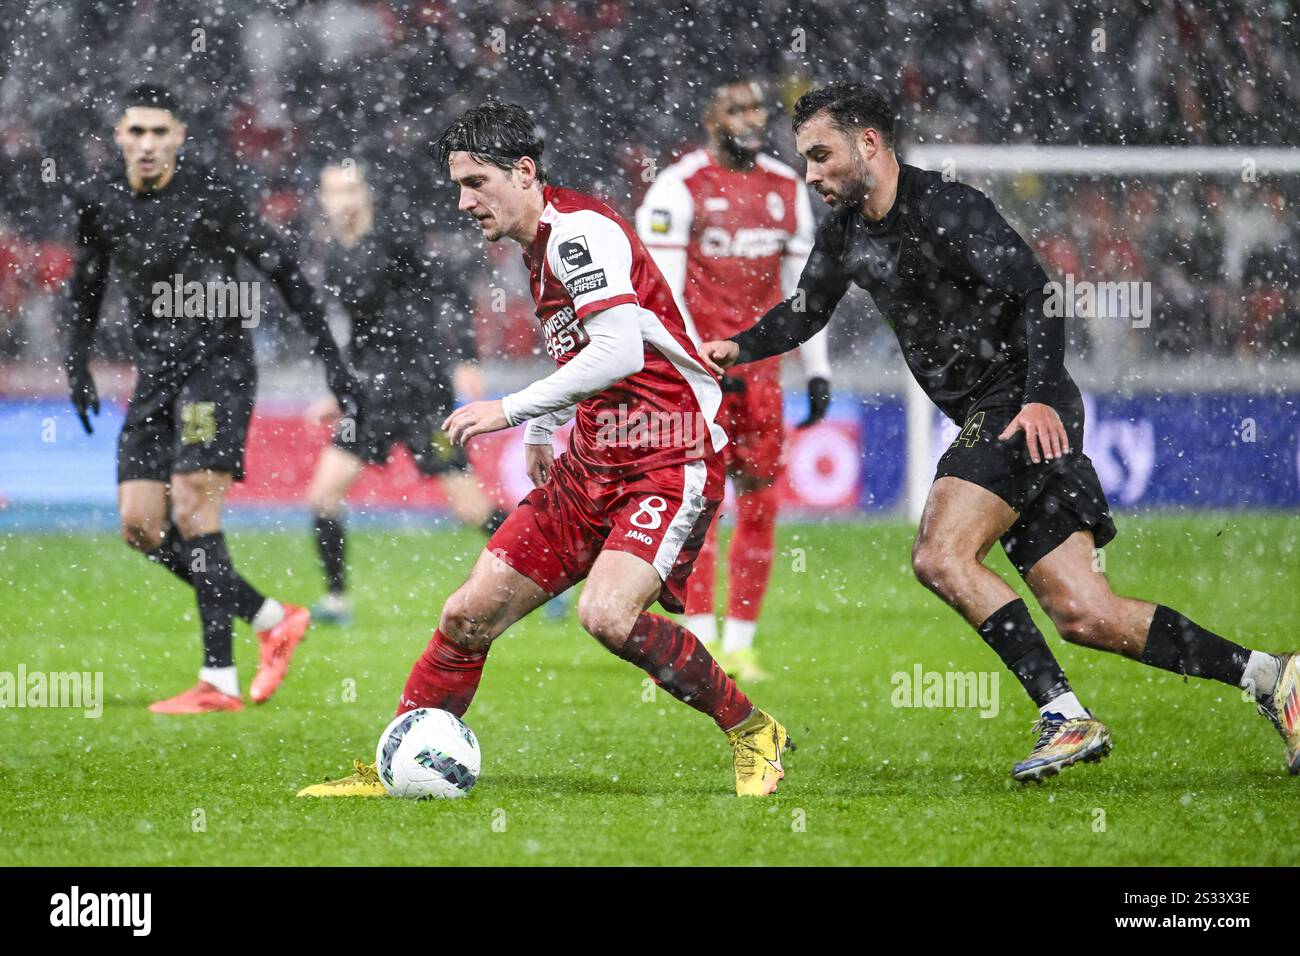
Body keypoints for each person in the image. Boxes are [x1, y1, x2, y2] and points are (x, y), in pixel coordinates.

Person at [699, 82, 1300, 781]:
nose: (811, 174)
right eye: (804, 159)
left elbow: (1040, 291)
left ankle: (1063, 716)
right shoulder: (846, 235)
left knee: (940, 554)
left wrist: (1041, 395)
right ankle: (1273, 677)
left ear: (870, 144)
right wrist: (738, 346)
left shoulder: (948, 209)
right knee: (1087, 613)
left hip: (1018, 401)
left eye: (822, 155)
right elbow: (804, 311)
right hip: (1005, 413)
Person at [300, 100, 790, 798]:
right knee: (466, 615)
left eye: (475, 183)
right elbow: (584, 350)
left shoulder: (576, 234)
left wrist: (509, 410)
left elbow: (619, 349)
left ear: (524, 172)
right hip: (592, 461)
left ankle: (753, 730)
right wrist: (540, 430)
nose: (463, 201)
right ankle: (396, 767)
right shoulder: (542, 245)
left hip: (668, 456)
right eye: (457, 186)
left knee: (606, 615)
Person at [64, 85, 360, 714]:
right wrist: (76, 363)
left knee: (196, 507)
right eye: (136, 132)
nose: (147, 144)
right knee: (141, 527)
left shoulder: (210, 196)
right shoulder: (100, 202)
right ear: (119, 136)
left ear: (178, 137)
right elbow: (86, 285)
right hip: (155, 376)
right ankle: (271, 617)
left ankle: (218, 680)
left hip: (215, 369)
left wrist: (332, 365)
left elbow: (283, 270)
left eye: (159, 132)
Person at [636, 74, 831, 682]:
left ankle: (742, 643)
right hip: (698, 376)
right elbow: (664, 296)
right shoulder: (679, 186)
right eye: (735, 108)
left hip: (763, 375)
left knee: (761, 503)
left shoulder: (786, 189)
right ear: (711, 119)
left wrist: (818, 369)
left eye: (756, 109)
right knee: (697, 504)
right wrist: (706, 363)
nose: (750, 118)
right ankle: (700, 640)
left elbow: (807, 295)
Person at [304, 163, 507, 626]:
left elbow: (451, 288)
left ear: (366, 194)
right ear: (322, 200)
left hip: (421, 392)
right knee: (323, 496)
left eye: (351, 189)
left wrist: (466, 358)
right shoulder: (334, 254)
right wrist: (342, 391)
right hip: (371, 396)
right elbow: (359, 332)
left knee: (468, 506)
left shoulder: (396, 240)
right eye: (334, 191)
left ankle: (543, 570)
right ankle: (337, 601)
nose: (344, 200)